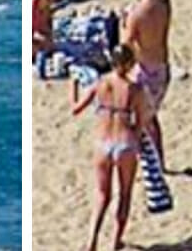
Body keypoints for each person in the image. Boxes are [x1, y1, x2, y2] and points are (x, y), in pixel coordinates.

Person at [71, 45, 153, 251]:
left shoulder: (101, 83)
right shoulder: (135, 89)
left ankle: (92, 240)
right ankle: (115, 242)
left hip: (102, 142)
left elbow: (75, 109)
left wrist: (73, 86)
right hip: (125, 143)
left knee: (101, 195)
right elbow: (142, 120)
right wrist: (136, 132)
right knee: (124, 194)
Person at [121, 0, 172, 171]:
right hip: (161, 68)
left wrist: (124, 21)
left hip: (144, 71)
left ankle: (145, 163)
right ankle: (159, 162)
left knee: (137, 120)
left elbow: (126, 44)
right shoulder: (164, 4)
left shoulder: (137, 13)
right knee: (151, 119)